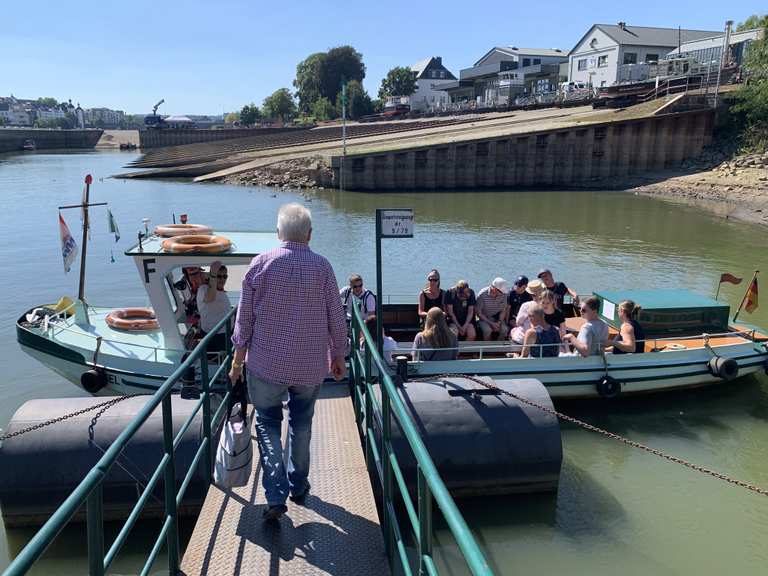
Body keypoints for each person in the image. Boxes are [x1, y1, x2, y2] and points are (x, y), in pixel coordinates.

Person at [229, 203, 347, 521]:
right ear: (309, 234)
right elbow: (336, 316)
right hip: (310, 365)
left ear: (278, 232)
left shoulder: (259, 264)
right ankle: (298, 485)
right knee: (301, 423)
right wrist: (338, 355)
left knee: (267, 424)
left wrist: (237, 362)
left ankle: (274, 494)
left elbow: (244, 321)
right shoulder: (323, 267)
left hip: (266, 363)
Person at [196, 261, 231, 352]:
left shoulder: (221, 291)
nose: (222, 279)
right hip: (214, 336)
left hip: (224, 333)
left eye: (225, 276)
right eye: (219, 276)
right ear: (212, 276)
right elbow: (210, 298)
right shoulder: (203, 289)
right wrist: (213, 274)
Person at [510, 279, 545, 344]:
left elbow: (518, 322)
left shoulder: (526, 305)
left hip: (526, 339)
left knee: (513, 331)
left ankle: (516, 351)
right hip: (542, 338)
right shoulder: (547, 305)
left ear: (531, 294)